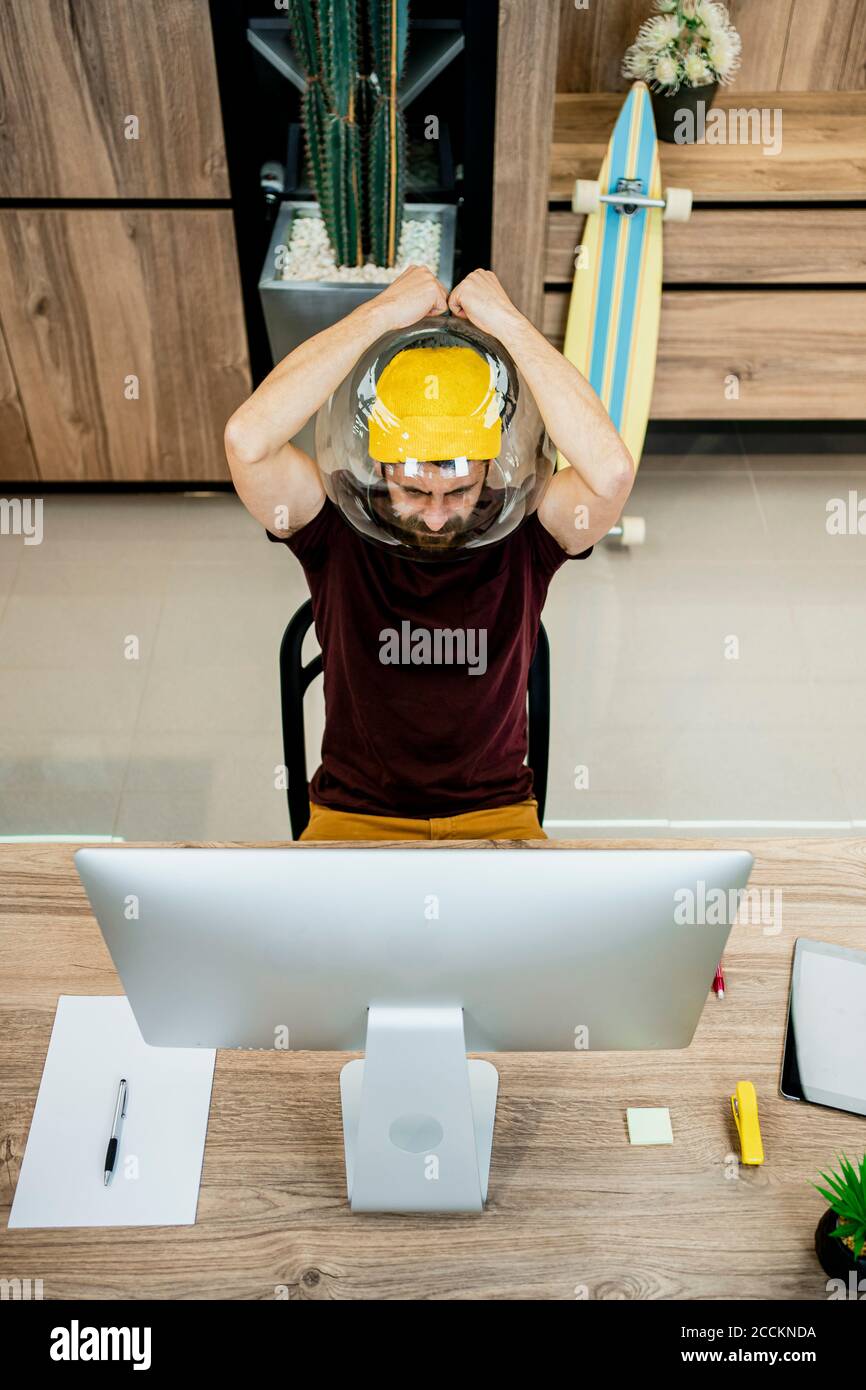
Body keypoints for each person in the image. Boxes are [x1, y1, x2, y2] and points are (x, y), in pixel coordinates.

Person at [225, 267, 634, 840]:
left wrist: (509, 324)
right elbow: (247, 441)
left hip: (496, 811)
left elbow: (611, 472)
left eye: (460, 490)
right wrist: (381, 313)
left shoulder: (526, 538)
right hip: (354, 813)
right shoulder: (333, 529)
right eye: (414, 491)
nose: (438, 513)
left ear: (490, 469)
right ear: (380, 466)